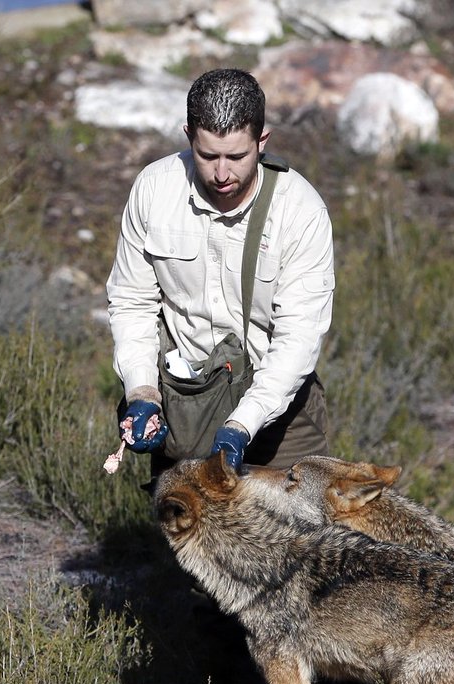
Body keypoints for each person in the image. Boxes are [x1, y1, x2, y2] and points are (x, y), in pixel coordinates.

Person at [107, 67, 334, 478]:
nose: (222, 173)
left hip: (278, 407)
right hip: (186, 403)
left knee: (295, 538)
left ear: (262, 142)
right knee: (190, 537)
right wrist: (142, 391)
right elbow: (131, 301)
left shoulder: (301, 212)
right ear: (188, 137)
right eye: (208, 156)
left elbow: (298, 337)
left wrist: (240, 426)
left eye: (237, 156)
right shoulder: (154, 190)